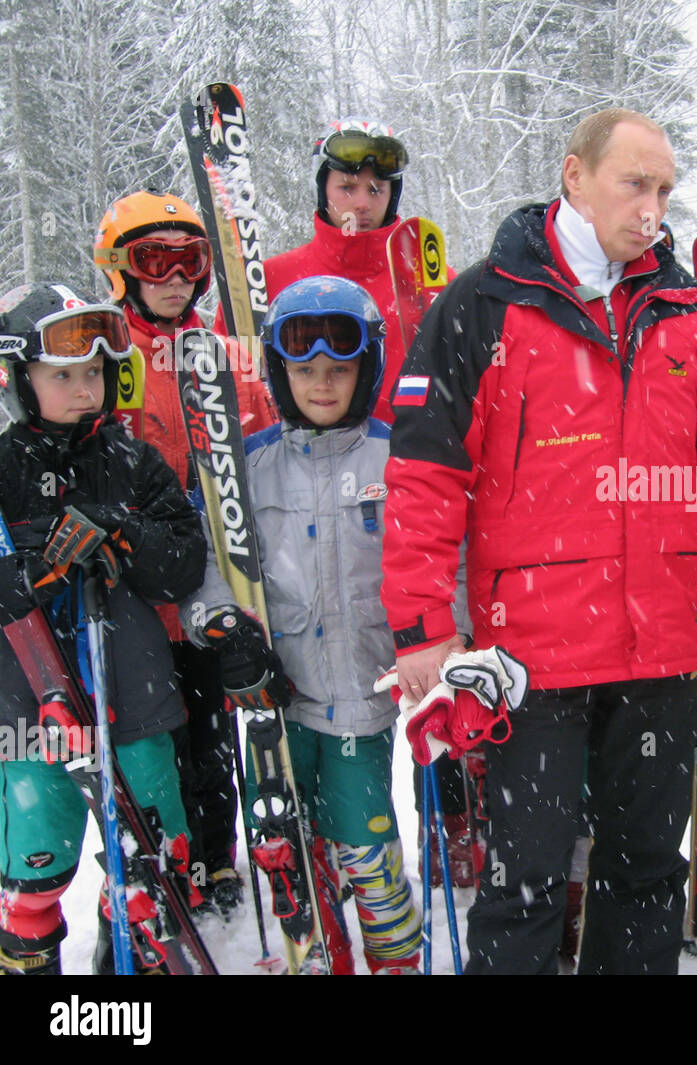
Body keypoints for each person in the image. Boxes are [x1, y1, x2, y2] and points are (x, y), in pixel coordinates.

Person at [381, 107, 697, 974]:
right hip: (531, 654)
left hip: (656, 650)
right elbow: (425, 475)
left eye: (665, 189)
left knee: (645, 871)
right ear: (575, 176)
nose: (652, 206)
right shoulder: (480, 305)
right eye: (633, 183)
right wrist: (422, 627)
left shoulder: (684, 310)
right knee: (526, 877)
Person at [184, 276, 423, 974]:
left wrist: (443, 640)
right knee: (290, 857)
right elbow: (205, 575)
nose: (322, 383)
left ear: (367, 368)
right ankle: (320, 957)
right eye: (304, 368)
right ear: (280, 372)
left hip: (358, 703)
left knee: (371, 857)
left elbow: (447, 560)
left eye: (339, 369)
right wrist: (225, 631)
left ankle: (395, 959)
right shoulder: (248, 470)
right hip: (275, 711)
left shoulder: (396, 458)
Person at [0, 283, 206, 974]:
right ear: (17, 377)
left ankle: (133, 952)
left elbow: (183, 563)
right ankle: (29, 952)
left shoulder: (129, 457)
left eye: (94, 371)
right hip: (28, 704)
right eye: (62, 375)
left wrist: (126, 532)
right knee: (37, 855)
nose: (84, 388)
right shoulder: (4, 469)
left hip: (134, 696)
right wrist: (32, 573)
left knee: (153, 846)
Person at [93, 189, 278, 916]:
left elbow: (260, 443)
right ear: (122, 269)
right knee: (150, 741)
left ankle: (215, 856)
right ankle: (156, 863)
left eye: (188, 260)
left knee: (210, 735)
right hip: (135, 589)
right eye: (153, 259)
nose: (173, 275)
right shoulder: (107, 352)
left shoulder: (224, 353)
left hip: (210, 575)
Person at [247, 119, 412, 425]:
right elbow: (234, 399)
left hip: (400, 467)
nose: (362, 203)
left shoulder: (429, 286)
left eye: (376, 190)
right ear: (323, 189)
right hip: (289, 467)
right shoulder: (265, 282)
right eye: (347, 188)